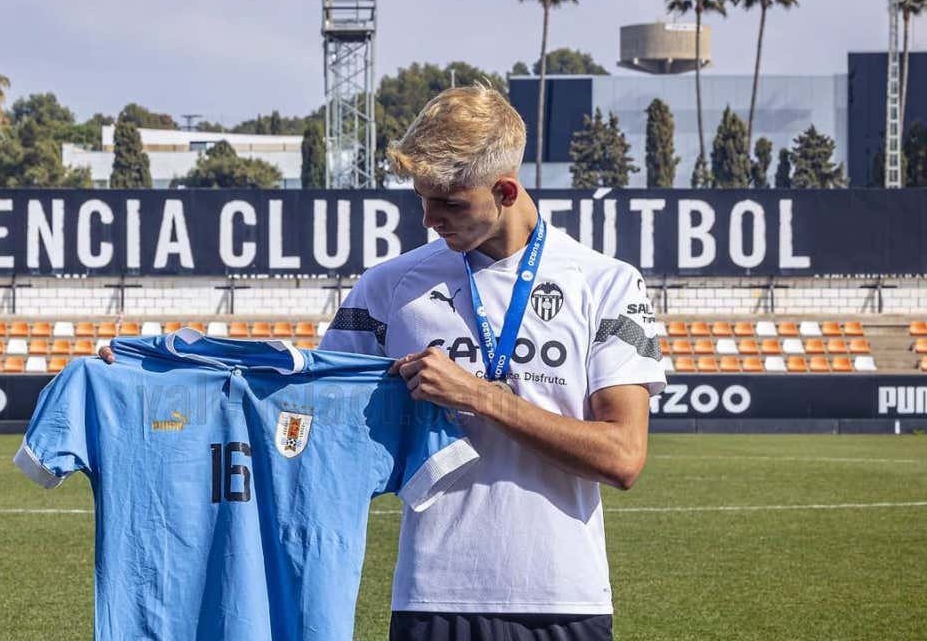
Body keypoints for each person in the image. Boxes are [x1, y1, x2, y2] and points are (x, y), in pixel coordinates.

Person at [100, 84, 665, 641]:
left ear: (507, 191)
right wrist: (147, 376)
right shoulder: (389, 286)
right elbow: (298, 400)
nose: (429, 218)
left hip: (565, 599)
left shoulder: (606, 284)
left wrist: (478, 395)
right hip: (432, 598)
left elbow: (623, 457)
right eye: (423, 198)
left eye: (449, 202)